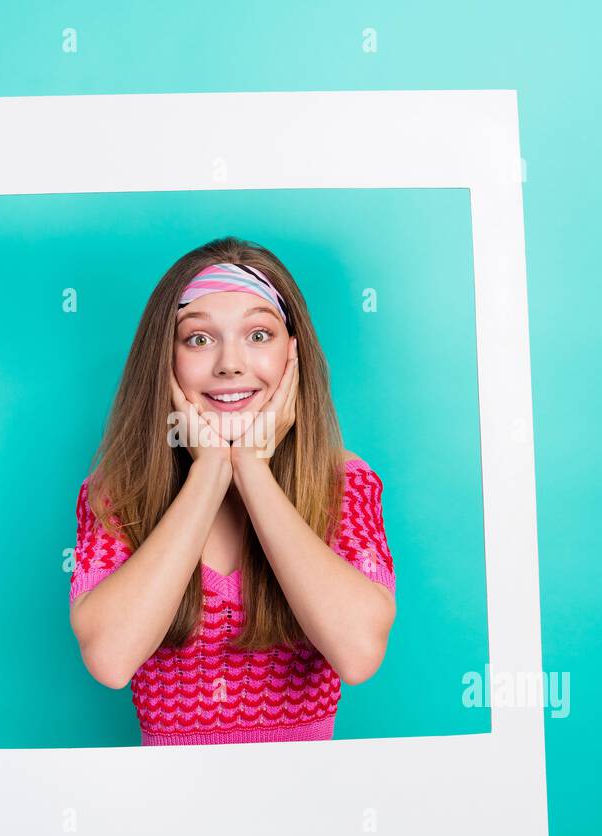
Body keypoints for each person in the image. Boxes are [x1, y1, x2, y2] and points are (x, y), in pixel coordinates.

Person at [68, 236, 396, 745]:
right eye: (199, 339)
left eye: (258, 335)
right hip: (167, 811)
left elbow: (358, 654)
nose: (230, 364)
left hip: (307, 805)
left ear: (293, 353)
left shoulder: (342, 484)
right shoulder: (116, 493)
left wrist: (251, 466)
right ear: (165, 361)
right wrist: (208, 472)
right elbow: (110, 659)